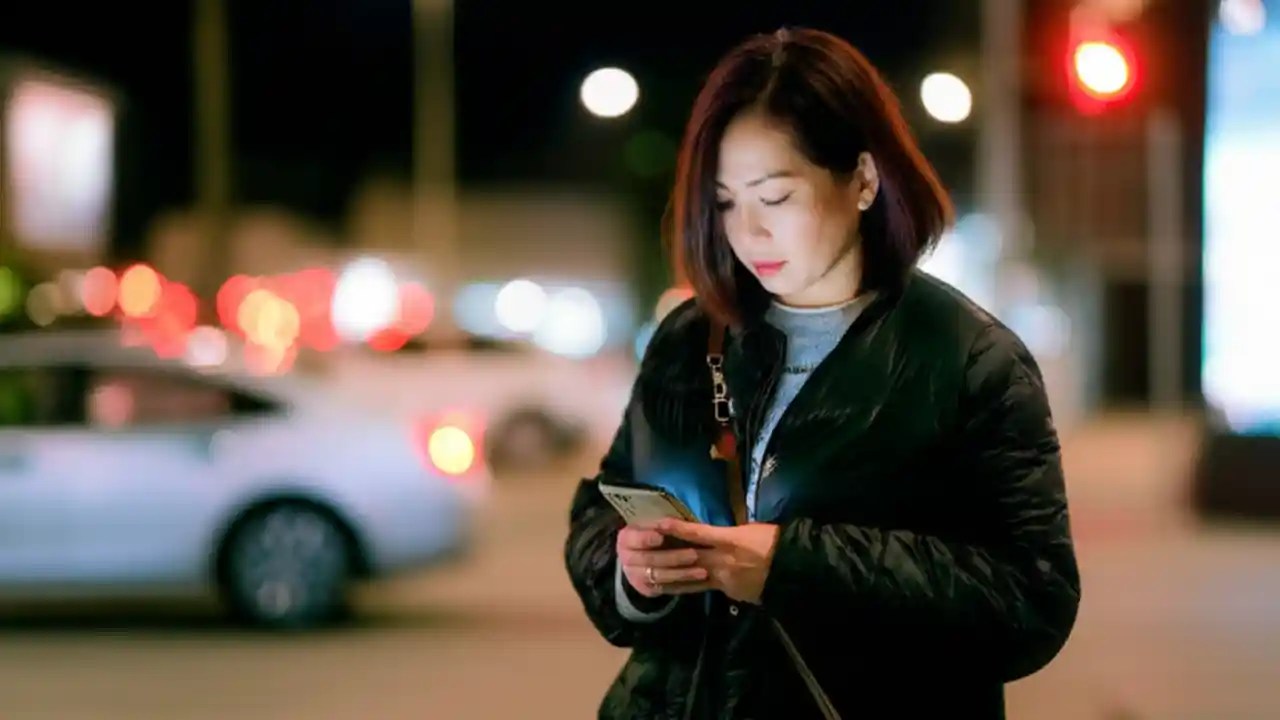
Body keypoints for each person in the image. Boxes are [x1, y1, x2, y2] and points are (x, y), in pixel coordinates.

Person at [564, 27, 1080, 719]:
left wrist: (795, 567)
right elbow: (606, 500)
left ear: (864, 179)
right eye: (725, 202)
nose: (748, 232)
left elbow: (1031, 600)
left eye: (775, 197)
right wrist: (633, 573)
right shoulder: (691, 338)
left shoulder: (968, 359)